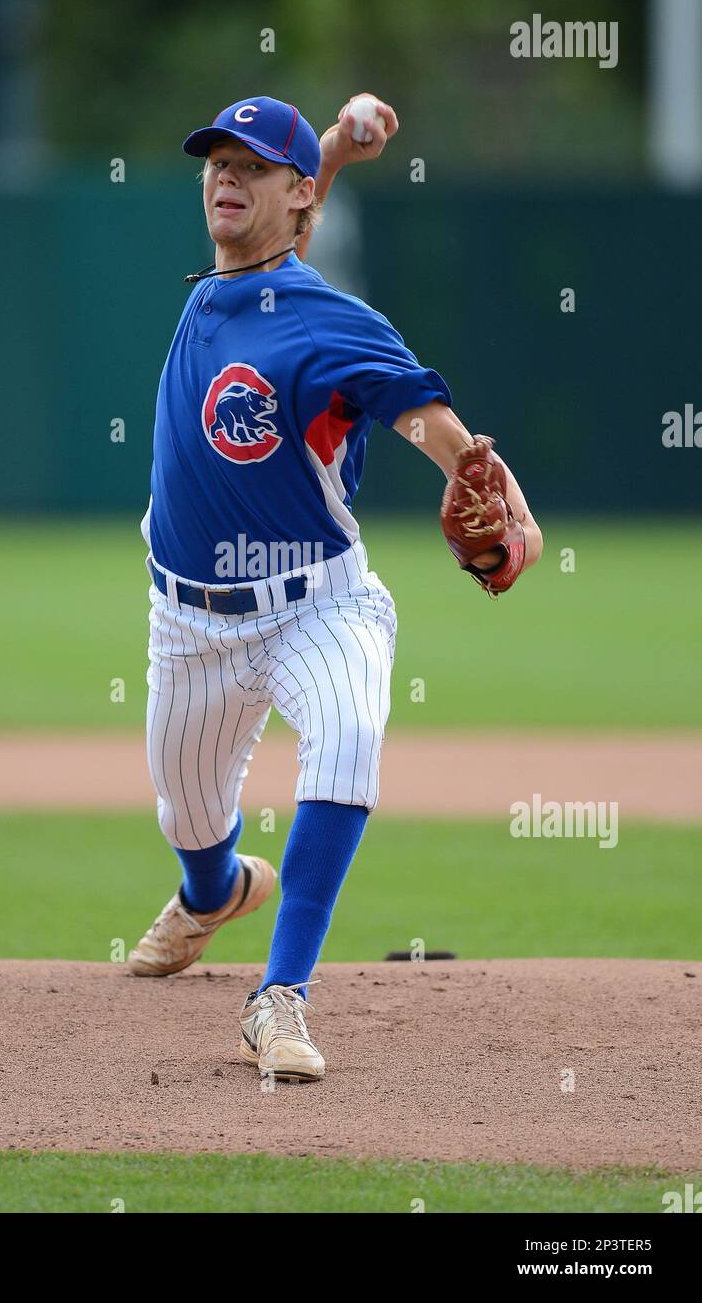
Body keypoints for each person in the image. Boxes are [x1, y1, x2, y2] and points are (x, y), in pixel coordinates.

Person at [128, 94, 543, 1083]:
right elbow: (290, 196)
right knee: (189, 821)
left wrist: (514, 524)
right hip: (187, 623)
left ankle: (280, 996)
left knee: (348, 732)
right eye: (214, 163)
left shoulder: (335, 325)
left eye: (249, 167)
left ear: (294, 195)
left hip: (318, 603)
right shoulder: (221, 280)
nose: (225, 179)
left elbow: (454, 443)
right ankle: (214, 890)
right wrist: (339, 145)